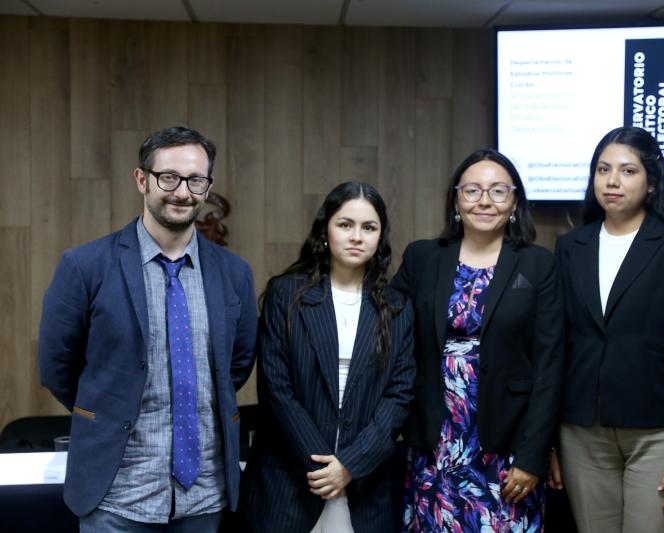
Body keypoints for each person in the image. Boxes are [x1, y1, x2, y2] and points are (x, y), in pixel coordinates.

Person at [38, 126, 258, 531]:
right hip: (117, 494)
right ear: (142, 179)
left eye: (196, 180)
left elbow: (236, 365)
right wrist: (105, 409)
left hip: (204, 495)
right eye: (168, 177)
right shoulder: (86, 266)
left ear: (207, 187)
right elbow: (57, 366)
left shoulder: (234, 274)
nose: (182, 191)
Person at [551, 126, 664, 533]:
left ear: (651, 182)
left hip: (661, 435)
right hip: (582, 434)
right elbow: (556, 348)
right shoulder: (569, 248)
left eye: (628, 171)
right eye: (602, 169)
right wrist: (548, 442)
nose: (612, 181)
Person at [394, 149, 564, 532]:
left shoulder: (538, 264)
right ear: (456, 199)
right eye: (472, 190)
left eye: (498, 191)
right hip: (434, 443)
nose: (484, 201)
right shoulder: (422, 258)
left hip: (508, 447)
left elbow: (551, 365)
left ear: (515, 201)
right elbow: (386, 329)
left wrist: (535, 454)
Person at [241, 181, 415, 532]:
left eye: (369, 228)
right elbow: (277, 389)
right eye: (345, 224)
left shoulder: (397, 307)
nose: (356, 236)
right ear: (325, 231)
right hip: (288, 481)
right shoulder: (286, 294)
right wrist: (324, 467)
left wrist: (349, 465)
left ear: (380, 238)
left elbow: (400, 394)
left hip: (363, 486)